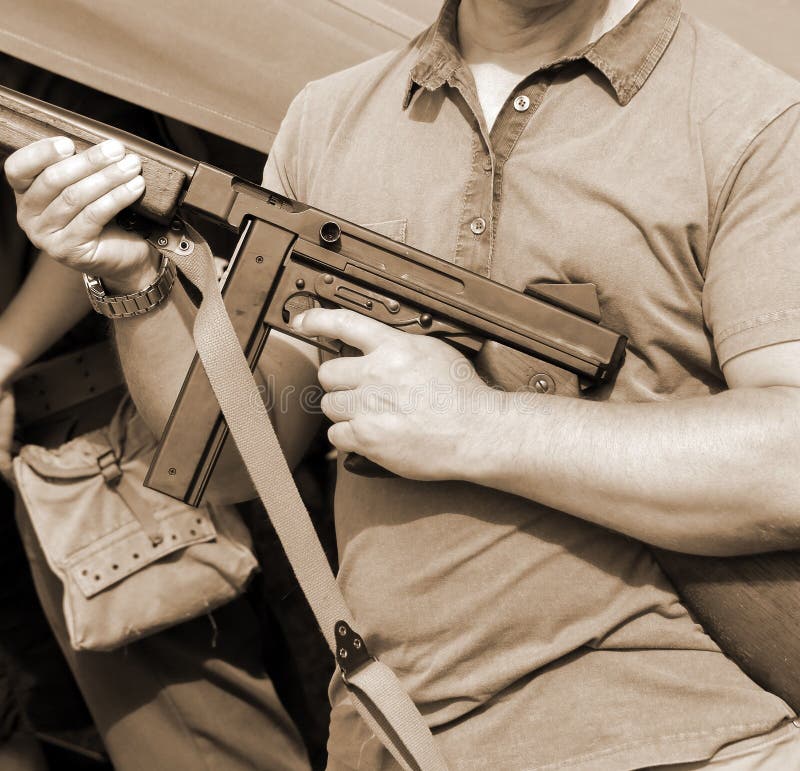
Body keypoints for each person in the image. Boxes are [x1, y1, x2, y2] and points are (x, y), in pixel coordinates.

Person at [6, 0, 800, 767]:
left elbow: (789, 460)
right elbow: (236, 462)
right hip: (391, 733)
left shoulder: (752, 120)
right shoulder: (328, 117)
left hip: (685, 733)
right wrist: (137, 282)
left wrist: (479, 425)